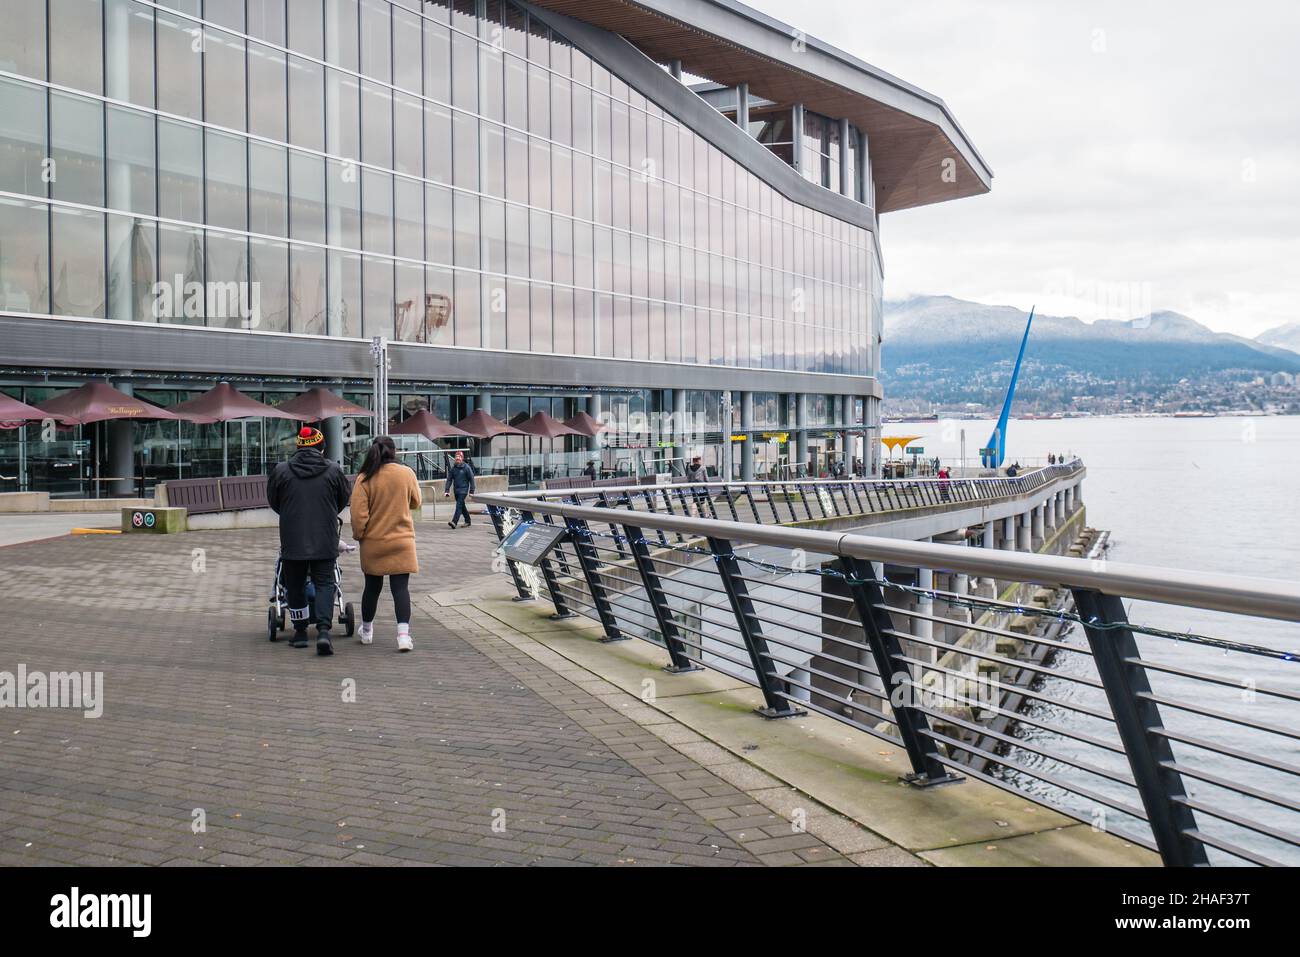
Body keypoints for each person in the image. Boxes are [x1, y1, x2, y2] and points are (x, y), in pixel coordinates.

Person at [267, 426, 352, 656]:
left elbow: (274, 501)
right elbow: (343, 498)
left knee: (295, 585)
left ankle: (300, 632)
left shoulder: (282, 471)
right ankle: (323, 631)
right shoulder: (333, 470)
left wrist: (290, 513)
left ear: (298, 447)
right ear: (322, 448)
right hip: (325, 537)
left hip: (292, 538)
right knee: (325, 583)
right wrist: (327, 511)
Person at [350, 436, 421, 653]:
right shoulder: (406, 473)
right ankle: (403, 637)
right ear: (394, 451)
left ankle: (367, 631)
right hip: (402, 541)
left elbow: (358, 515)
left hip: (374, 543)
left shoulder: (364, 478)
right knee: (400, 589)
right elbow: (416, 502)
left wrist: (359, 536)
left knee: (372, 588)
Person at [444, 449, 476, 528]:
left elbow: (471, 479)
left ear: (462, 458)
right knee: (462, 506)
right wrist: (447, 490)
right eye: (456, 457)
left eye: (459, 457)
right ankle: (468, 521)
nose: (458, 458)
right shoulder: (453, 469)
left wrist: (472, 491)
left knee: (458, 505)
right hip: (456, 491)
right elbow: (449, 479)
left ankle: (454, 522)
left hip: (463, 491)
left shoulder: (466, 467)